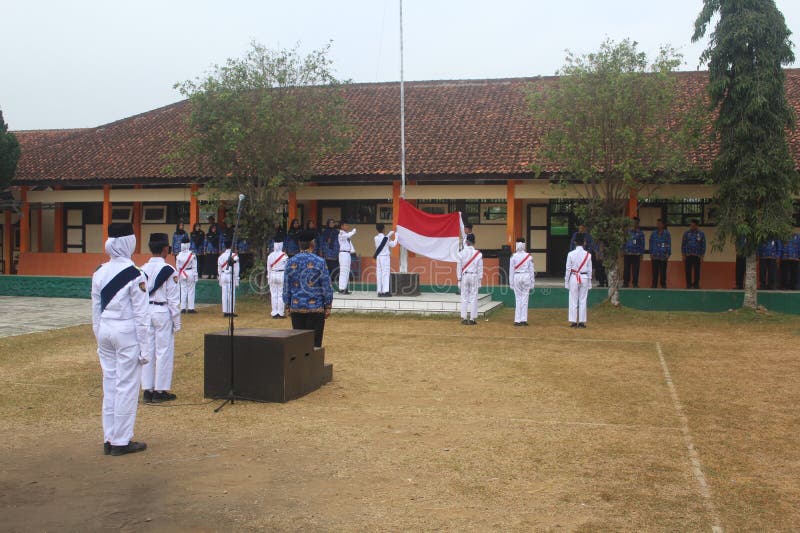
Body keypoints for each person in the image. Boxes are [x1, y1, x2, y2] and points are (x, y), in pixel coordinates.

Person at [90, 222, 149, 456]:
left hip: (104, 330)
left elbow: (96, 309)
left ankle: (109, 437)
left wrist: (98, 335)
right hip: (126, 332)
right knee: (127, 386)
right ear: (129, 242)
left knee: (110, 384)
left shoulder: (99, 271)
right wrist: (144, 349)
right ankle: (121, 441)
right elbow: (141, 316)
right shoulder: (136, 274)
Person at [140, 233, 181, 403]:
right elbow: (173, 300)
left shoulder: (141, 269)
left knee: (148, 350)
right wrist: (177, 321)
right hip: (162, 311)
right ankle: (161, 390)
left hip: (146, 310)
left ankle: (147, 389)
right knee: (164, 351)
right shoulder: (169, 271)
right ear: (166, 249)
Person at [283, 231, 334, 347]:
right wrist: (328, 305)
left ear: (299, 244)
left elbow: (286, 285)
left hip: (296, 308)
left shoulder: (290, 262)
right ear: (312, 244)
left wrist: (287, 304)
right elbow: (326, 285)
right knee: (315, 345)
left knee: (299, 345)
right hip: (316, 308)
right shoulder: (319, 262)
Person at [565, 232, 592, 328]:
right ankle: (581, 322)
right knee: (583, 299)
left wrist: (566, 281)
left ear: (575, 242)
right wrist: (589, 282)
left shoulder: (570, 254)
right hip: (584, 277)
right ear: (584, 242)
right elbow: (589, 270)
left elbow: (568, 269)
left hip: (573, 277)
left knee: (573, 299)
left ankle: (573, 321)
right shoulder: (588, 255)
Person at [456, 233, 483, 325]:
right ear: (474, 242)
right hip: (474, 276)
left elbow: (458, 267)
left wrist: (458, 279)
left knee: (464, 297)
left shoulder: (461, 253)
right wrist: (480, 280)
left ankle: (464, 318)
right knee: (474, 297)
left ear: (466, 242)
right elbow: (480, 268)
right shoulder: (478, 254)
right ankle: (472, 319)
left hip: (464, 276)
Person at [509, 238, 535, 326]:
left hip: (516, 276)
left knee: (518, 299)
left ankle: (517, 320)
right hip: (526, 276)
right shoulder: (529, 256)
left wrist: (511, 283)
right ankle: (523, 320)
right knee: (525, 299)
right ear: (524, 244)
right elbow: (532, 270)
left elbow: (511, 271)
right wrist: (532, 282)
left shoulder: (513, 256)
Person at [373, 223, 398, 297]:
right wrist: (396, 236)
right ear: (384, 229)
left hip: (378, 257)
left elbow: (384, 239)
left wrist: (388, 235)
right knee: (385, 274)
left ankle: (379, 291)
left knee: (379, 274)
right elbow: (393, 244)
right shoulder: (386, 238)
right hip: (385, 257)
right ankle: (385, 291)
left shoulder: (376, 237)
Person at [217, 237, 240, 317]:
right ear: (231, 246)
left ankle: (225, 311)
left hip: (223, 275)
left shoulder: (221, 256)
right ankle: (231, 311)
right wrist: (237, 279)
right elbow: (237, 269)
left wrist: (220, 278)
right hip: (231, 275)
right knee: (231, 294)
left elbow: (219, 268)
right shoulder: (235, 256)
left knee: (224, 294)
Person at [681, 219, 706, 289]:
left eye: (693, 225)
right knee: (688, 270)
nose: (691, 227)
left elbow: (703, 245)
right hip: (688, 255)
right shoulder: (686, 233)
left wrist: (702, 256)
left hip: (697, 255)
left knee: (697, 271)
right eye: (691, 225)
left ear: (697, 226)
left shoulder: (701, 234)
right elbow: (683, 244)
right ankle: (688, 284)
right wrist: (683, 255)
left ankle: (696, 284)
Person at [176, 237, 198, 314]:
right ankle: (191, 308)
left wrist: (179, 274)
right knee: (191, 290)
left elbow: (177, 266)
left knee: (183, 290)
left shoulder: (179, 255)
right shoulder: (192, 255)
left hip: (182, 273)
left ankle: (182, 308)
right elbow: (194, 266)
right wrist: (196, 276)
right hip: (190, 272)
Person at [266, 241, 288, 318]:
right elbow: (287, 267)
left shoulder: (270, 256)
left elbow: (268, 267)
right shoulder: (284, 256)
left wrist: (268, 277)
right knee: (281, 294)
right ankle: (280, 312)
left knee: (274, 294)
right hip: (281, 274)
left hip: (272, 274)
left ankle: (274, 312)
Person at [622, 217, 644, 288]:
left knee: (635, 269)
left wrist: (641, 253)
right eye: (633, 222)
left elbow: (642, 244)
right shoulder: (627, 232)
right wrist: (622, 250)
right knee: (626, 269)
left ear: (638, 224)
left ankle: (635, 283)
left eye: (636, 223)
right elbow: (623, 241)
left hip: (636, 254)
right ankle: (625, 283)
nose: (635, 224)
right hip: (627, 253)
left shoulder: (640, 233)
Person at [649, 219, 671, 288]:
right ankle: (654, 284)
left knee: (663, 272)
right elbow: (651, 243)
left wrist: (668, 253)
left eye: (659, 224)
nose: (658, 225)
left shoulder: (667, 234)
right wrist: (651, 253)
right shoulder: (653, 233)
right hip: (655, 255)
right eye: (657, 223)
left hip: (663, 256)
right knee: (655, 271)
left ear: (663, 225)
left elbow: (668, 244)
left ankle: (663, 284)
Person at [337, 222, 357, 294]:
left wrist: (353, 252)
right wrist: (353, 232)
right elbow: (347, 235)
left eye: (348, 225)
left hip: (348, 254)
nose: (347, 226)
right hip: (343, 253)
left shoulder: (346, 234)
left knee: (347, 271)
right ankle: (341, 288)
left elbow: (350, 245)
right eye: (345, 225)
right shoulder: (341, 233)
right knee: (343, 271)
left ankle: (345, 288)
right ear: (341, 226)